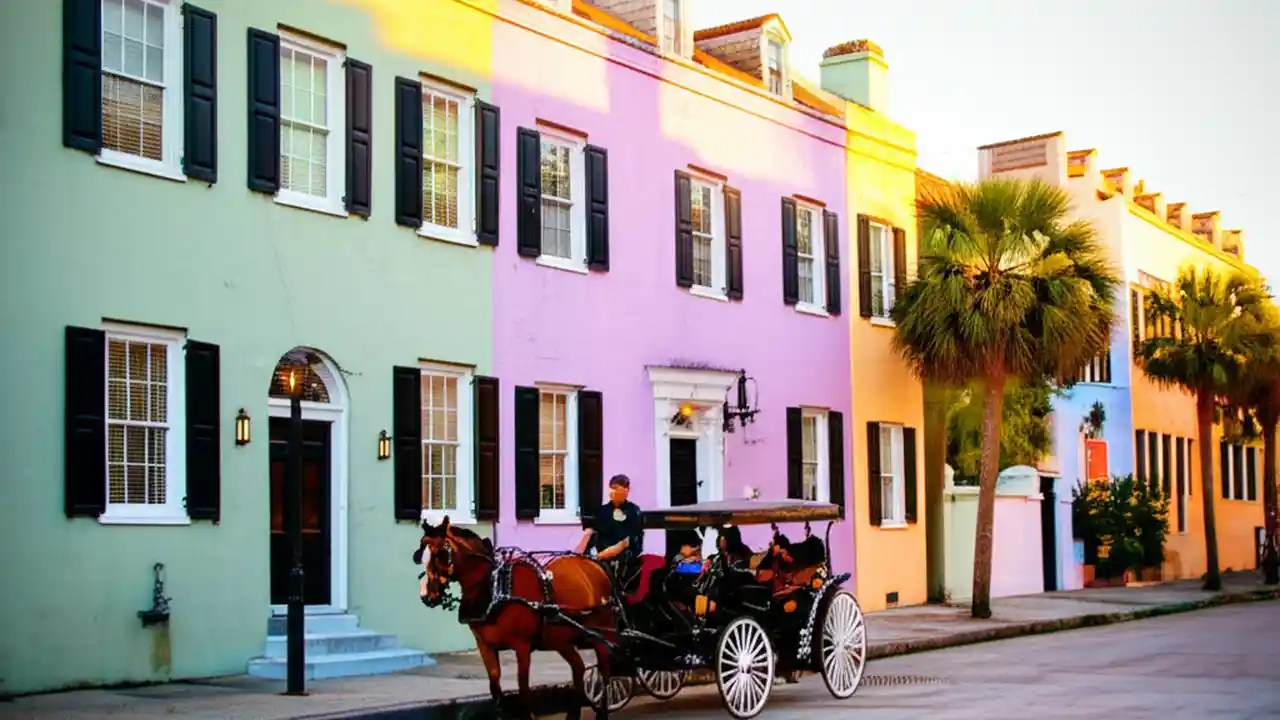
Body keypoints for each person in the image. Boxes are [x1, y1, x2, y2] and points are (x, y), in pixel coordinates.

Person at [575, 474, 645, 585]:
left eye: (617, 488)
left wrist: (599, 557)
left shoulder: (633, 511)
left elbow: (625, 543)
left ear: (627, 490)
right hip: (601, 553)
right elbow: (589, 533)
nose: (613, 492)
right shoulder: (602, 511)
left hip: (624, 557)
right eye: (612, 488)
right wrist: (576, 556)